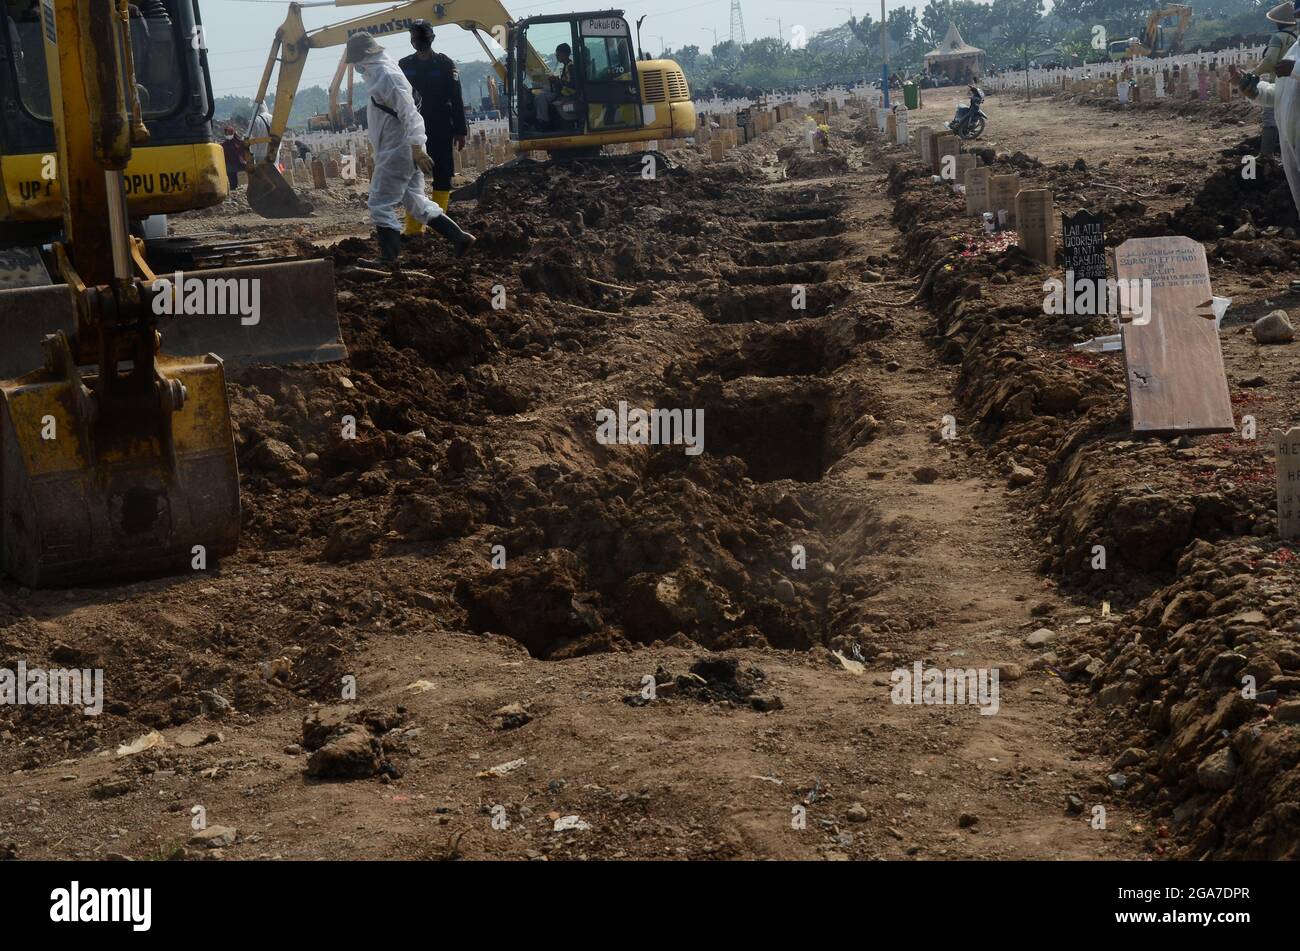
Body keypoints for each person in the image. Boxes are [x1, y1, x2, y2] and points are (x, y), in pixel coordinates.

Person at [345, 31, 474, 265]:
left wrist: (416, 147)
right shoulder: (380, 72)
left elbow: (410, 114)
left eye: (355, 60)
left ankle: (389, 257)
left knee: (379, 203)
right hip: (399, 147)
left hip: (398, 149)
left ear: (364, 55)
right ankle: (460, 238)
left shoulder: (386, 76)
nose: (355, 66)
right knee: (416, 201)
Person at [398, 19, 467, 233]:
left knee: (443, 174)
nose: (419, 41)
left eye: (423, 37)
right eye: (415, 37)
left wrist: (460, 130)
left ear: (432, 38)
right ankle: (413, 229)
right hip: (412, 132)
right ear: (411, 41)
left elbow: (456, 97)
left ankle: (440, 227)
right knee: (411, 178)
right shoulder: (404, 65)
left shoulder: (445, 64)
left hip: (440, 126)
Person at [1240, 23, 1300, 218]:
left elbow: (1294, 72)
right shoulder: (1295, 48)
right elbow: (1282, 94)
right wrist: (1256, 91)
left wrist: (1296, 69)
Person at [1254, 3, 1298, 158]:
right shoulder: (1295, 39)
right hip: (1294, 85)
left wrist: (1255, 74)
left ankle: (1266, 154)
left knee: (1269, 119)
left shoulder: (1278, 37)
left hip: (1277, 83)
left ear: (1278, 22)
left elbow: (1270, 60)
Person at [534, 43, 575, 127]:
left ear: (564, 54)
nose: (556, 56)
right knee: (541, 93)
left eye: (558, 54)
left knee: (541, 97)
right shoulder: (566, 66)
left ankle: (544, 122)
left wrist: (557, 80)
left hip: (567, 96)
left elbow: (572, 85)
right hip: (561, 93)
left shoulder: (571, 67)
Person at [220, 125, 246, 191]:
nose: (228, 135)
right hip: (230, 165)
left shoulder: (239, 142)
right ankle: (233, 187)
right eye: (226, 134)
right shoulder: (224, 145)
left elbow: (243, 153)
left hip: (240, 164)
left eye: (229, 133)